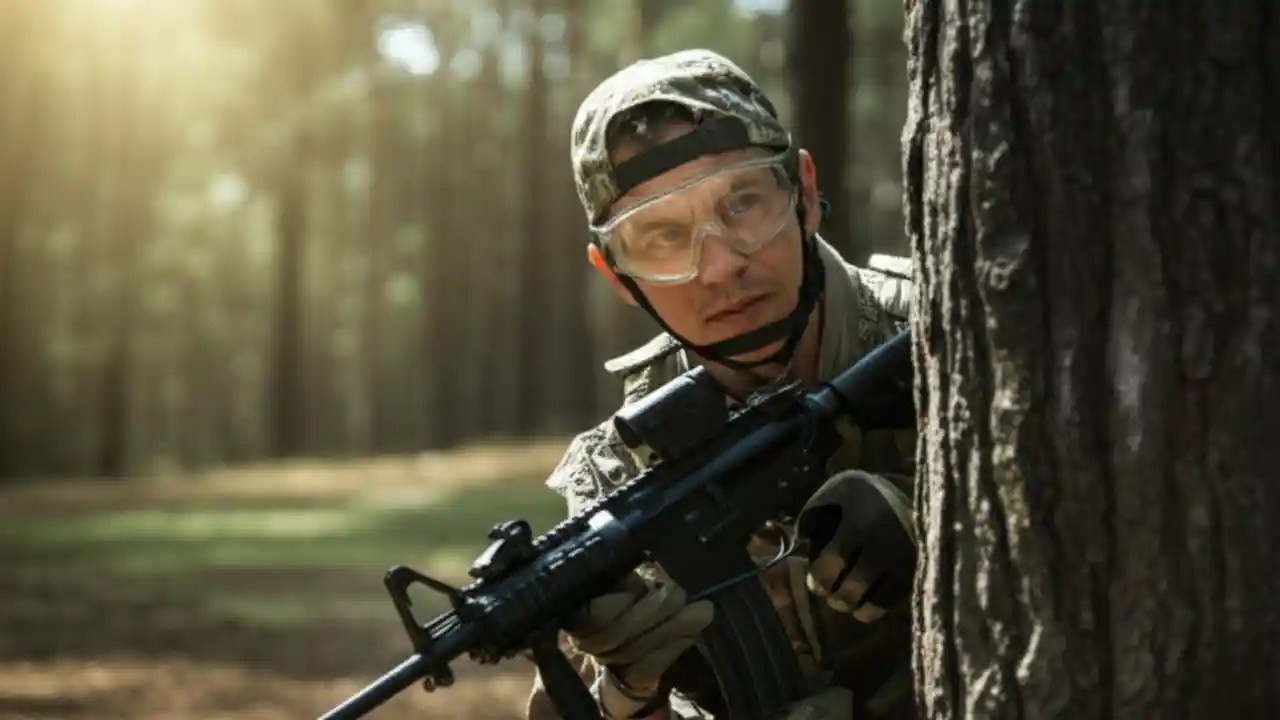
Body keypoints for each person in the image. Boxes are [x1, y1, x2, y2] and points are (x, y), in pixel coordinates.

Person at [525, 48, 917, 720]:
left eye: (742, 202)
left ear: (802, 190)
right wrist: (628, 694)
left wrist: (933, 513)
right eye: (662, 238)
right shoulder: (620, 475)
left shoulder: (940, 338)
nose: (719, 266)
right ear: (616, 275)